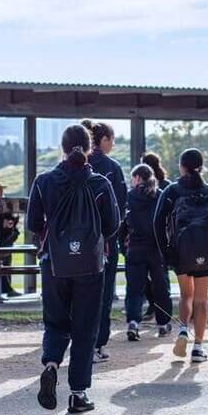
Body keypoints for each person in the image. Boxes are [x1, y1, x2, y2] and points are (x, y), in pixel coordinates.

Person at [27, 124, 119, 413]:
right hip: (91, 266)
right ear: (91, 148)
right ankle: (78, 394)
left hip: (54, 263)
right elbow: (113, 225)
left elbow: (32, 224)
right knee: (85, 328)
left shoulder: (43, 182)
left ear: (62, 148)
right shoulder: (100, 184)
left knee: (56, 322)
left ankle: (52, 364)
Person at [153, 148, 208, 364]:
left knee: (186, 295)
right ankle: (198, 348)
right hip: (206, 253)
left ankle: (184, 330)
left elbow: (157, 222)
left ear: (181, 166)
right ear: (201, 166)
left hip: (180, 253)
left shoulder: (172, 191)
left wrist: (166, 251)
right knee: (202, 300)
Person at [81, 119, 127, 363]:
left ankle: (79, 342)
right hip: (105, 242)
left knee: (78, 295)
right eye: (112, 139)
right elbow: (120, 207)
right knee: (103, 294)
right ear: (104, 140)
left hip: (74, 244)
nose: (113, 144)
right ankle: (98, 344)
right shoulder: (112, 168)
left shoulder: (76, 164)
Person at [119, 164, 173, 341]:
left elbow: (123, 225)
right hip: (156, 249)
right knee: (160, 287)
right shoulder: (160, 196)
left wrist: (123, 248)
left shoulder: (130, 196)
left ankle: (133, 322)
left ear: (137, 178)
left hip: (135, 248)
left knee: (134, 289)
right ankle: (163, 323)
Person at [139, 152, 171, 321]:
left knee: (146, 275)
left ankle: (154, 306)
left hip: (149, 237)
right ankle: (161, 311)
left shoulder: (152, 187)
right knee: (162, 277)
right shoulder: (167, 185)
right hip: (162, 237)